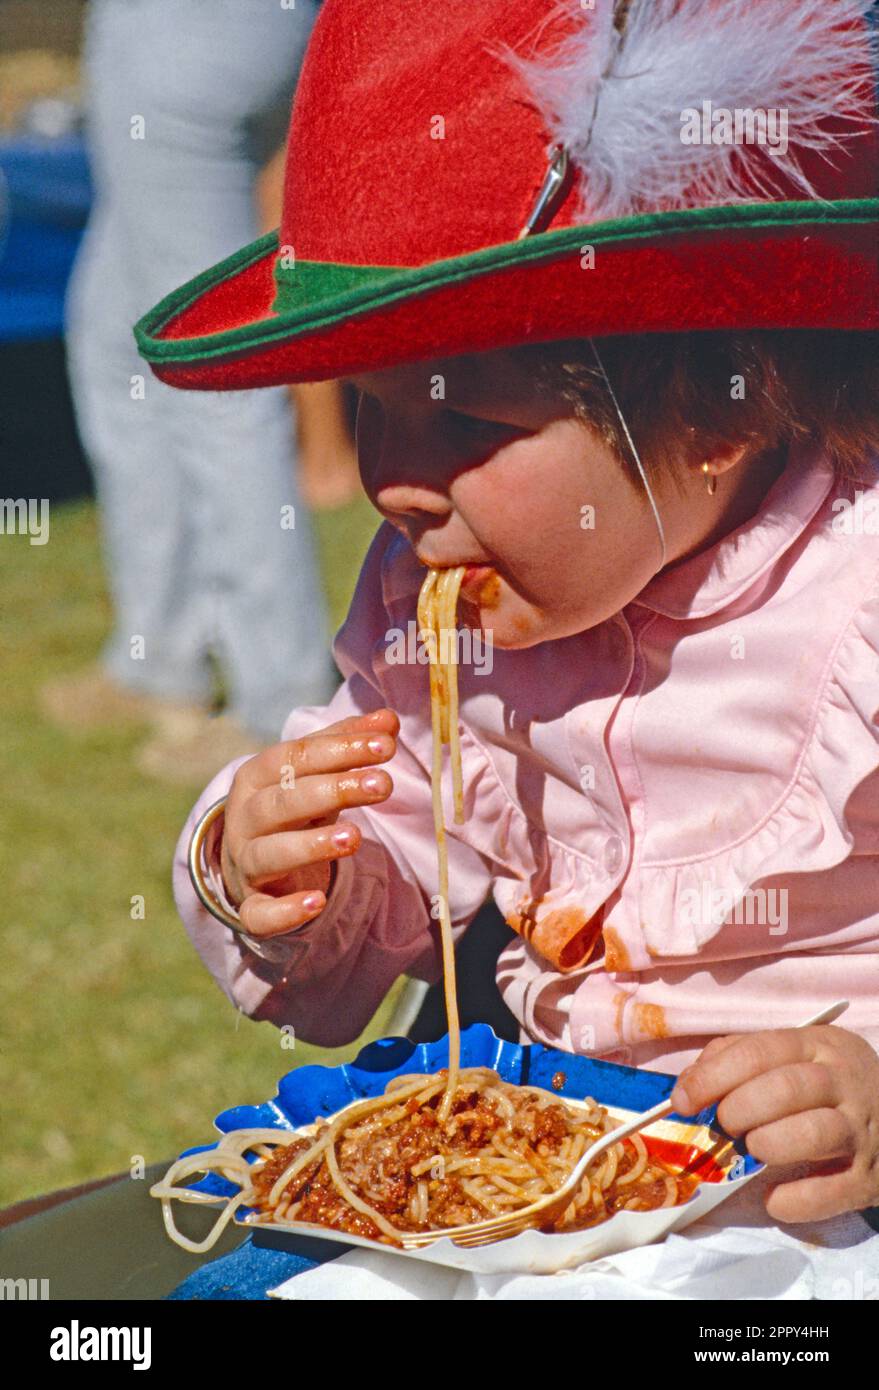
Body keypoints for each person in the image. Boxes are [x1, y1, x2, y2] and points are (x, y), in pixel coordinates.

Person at [136, 0, 879, 1223]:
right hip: (535, 1169)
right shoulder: (439, 610)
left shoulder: (849, 609)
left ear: (722, 414)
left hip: (807, 1210)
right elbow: (400, 876)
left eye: (471, 426)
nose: (388, 480)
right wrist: (283, 872)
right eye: (367, 409)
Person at [48, 0, 338, 782]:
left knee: (210, 373)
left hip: (178, 36)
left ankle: (279, 702)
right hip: (241, 32)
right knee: (116, 336)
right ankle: (159, 657)